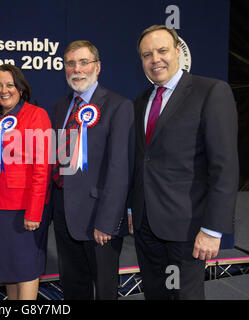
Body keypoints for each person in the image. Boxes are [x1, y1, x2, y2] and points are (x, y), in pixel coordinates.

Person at [130, 25, 239, 300]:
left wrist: (213, 229)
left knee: (182, 296)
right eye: (147, 54)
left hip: (186, 230)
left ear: (178, 51)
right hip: (147, 228)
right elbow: (142, 161)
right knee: (157, 294)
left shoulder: (211, 92)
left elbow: (224, 167)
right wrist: (133, 209)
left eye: (162, 50)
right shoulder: (141, 101)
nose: (155, 59)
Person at [51, 40, 134, 300]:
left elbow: (120, 169)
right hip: (64, 215)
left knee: (104, 291)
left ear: (97, 67)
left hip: (99, 218)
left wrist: (108, 222)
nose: (77, 69)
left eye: (84, 62)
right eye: (71, 63)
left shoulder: (119, 106)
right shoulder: (60, 107)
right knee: (73, 288)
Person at [0, 64, 51, 300]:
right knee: (9, 269)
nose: (4, 90)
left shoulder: (36, 115)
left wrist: (34, 211)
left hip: (25, 207)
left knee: (26, 268)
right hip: (0, 206)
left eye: (10, 85)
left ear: (20, 88)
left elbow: (42, 167)